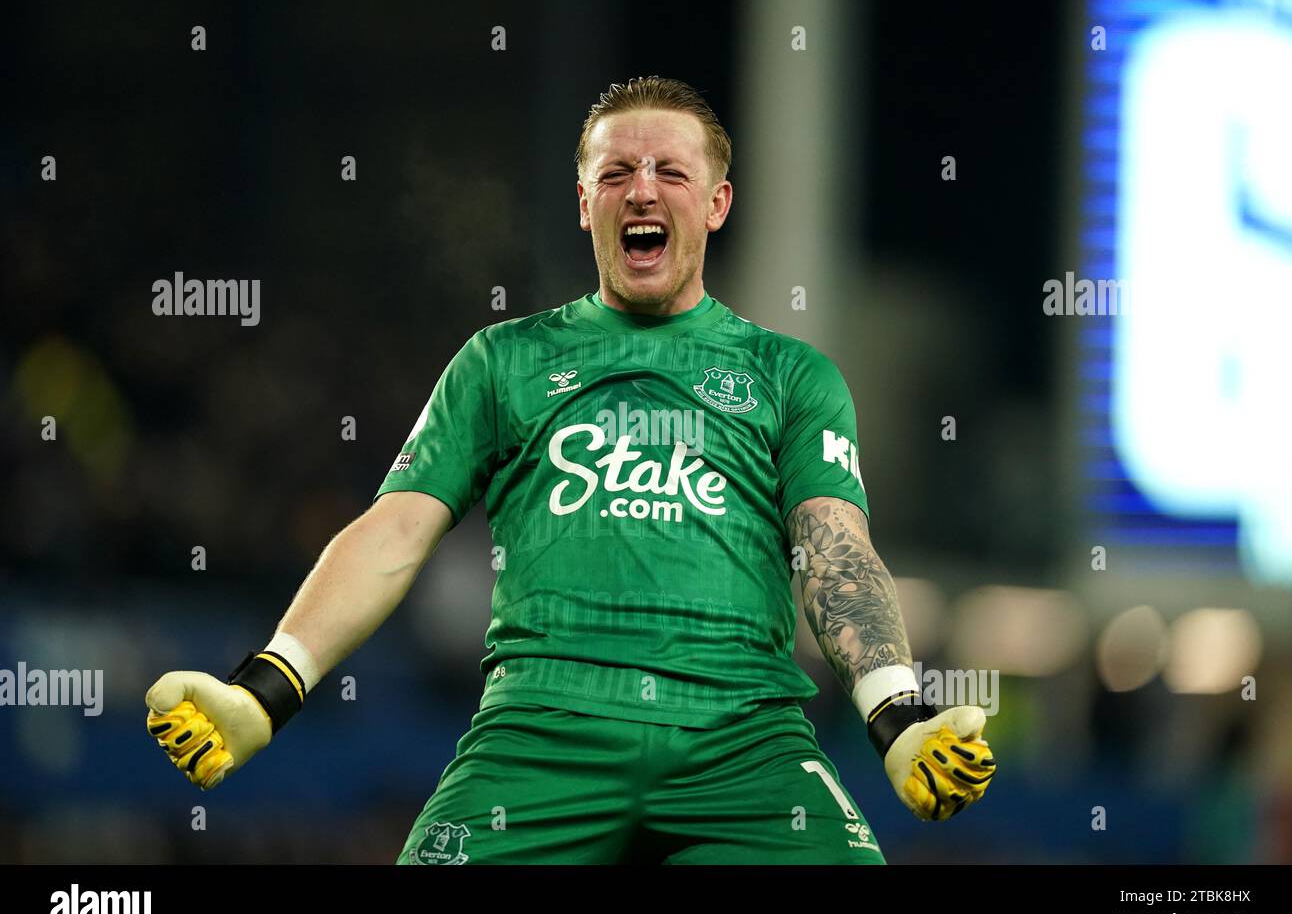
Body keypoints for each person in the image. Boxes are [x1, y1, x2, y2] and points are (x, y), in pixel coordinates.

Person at [145, 76, 995, 864]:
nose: (644, 189)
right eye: (617, 170)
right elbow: (393, 531)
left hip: (742, 738)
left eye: (671, 169)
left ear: (718, 202)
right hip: (542, 729)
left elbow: (835, 547)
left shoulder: (791, 376)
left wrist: (898, 716)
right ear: (585, 200)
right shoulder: (501, 361)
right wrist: (264, 688)